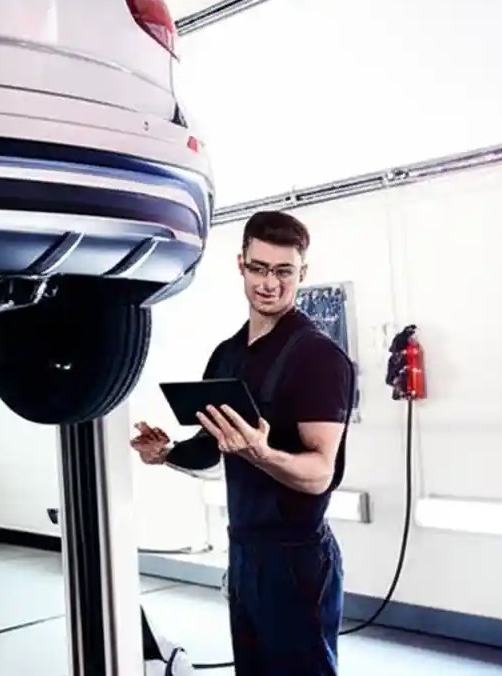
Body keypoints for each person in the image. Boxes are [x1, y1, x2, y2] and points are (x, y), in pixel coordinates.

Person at [132, 210, 354, 675]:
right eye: (259, 268)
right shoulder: (227, 353)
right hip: (245, 552)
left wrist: (262, 454)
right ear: (241, 265)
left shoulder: (318, 359)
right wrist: (166, 453)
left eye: (283, 271)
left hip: (297, 558)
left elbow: (320, 474)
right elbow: (210, 445)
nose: (269, 283)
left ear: (302, 274)